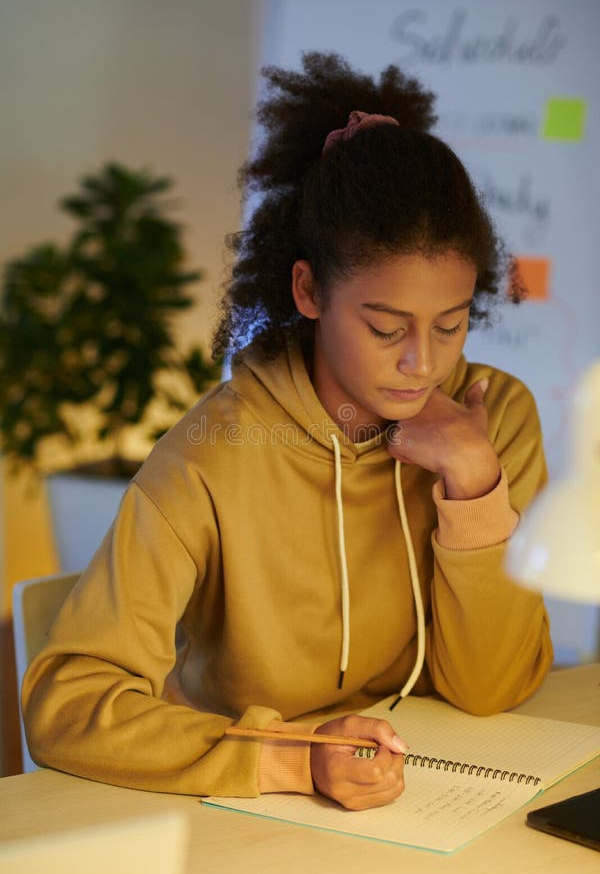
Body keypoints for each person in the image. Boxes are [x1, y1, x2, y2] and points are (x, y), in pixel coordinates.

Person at [22, 52, 553, 812]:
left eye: (450, 324)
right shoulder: (213, 456)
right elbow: (66, 704)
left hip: (430, 800)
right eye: (385, 327)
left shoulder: (494, 418)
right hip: (244, 810)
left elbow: (491, 688)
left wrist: (474, 485)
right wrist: (291, 759)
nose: (423, 362)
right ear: (308, 290)